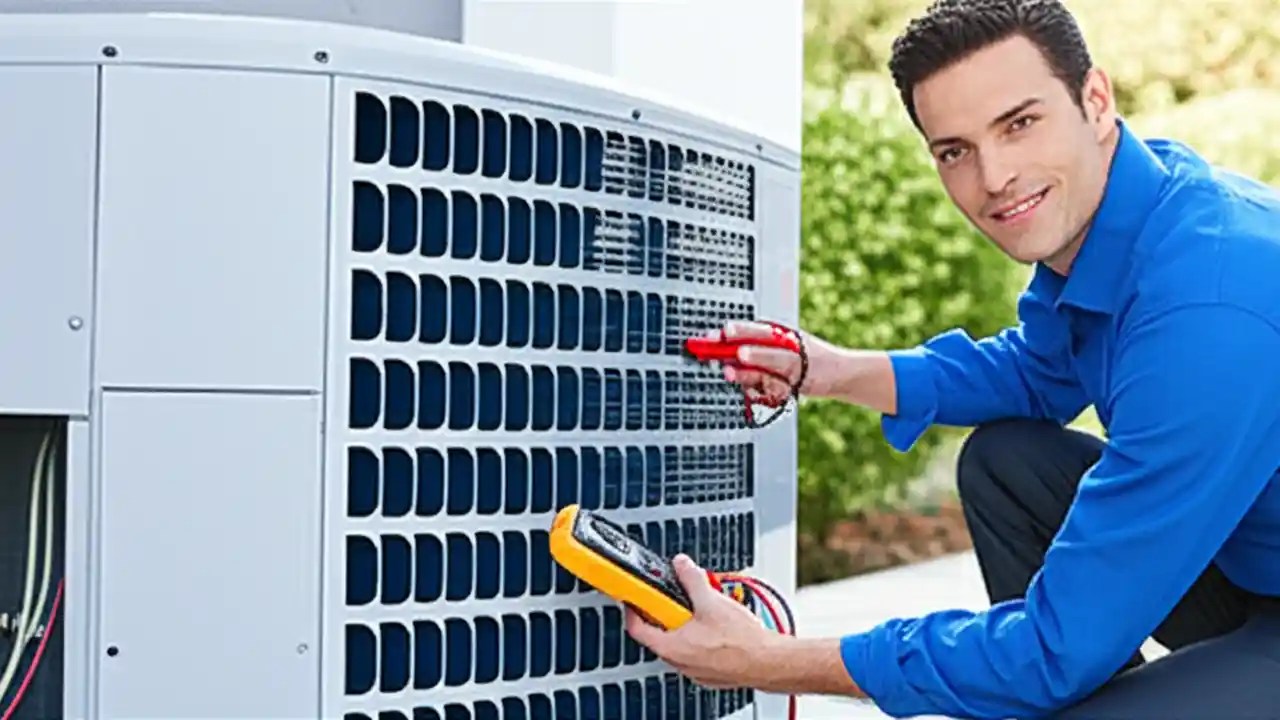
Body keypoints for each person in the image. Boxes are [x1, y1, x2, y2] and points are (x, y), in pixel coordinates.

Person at [622, 0, 1280, 717]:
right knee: (1007, 463)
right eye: (955, 151)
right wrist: (829, 370)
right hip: (1248, 567)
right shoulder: (1132, 207)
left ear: (1095, 100)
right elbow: (1035, 371)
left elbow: (1053, 648)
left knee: (1057, 664)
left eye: (1019, 124)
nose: (994, 177)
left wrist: (772, 661)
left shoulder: (1209, 304)